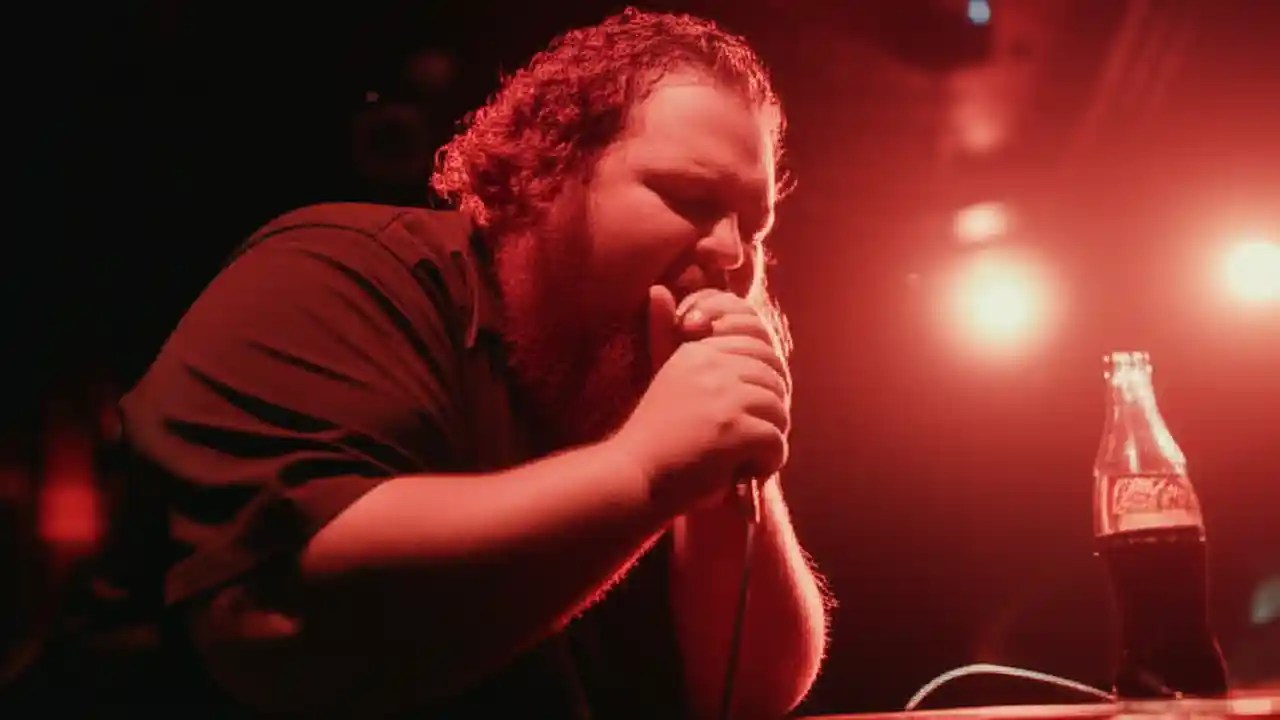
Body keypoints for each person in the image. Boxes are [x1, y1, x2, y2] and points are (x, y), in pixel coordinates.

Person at [62, 7, 829, 718]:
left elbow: (751, 695)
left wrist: (729, 478)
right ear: (544, 174)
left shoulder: (640, 388)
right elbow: (280, 619)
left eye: (753, 226)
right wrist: (645, 474)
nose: (733, 255)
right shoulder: (340, 274)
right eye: (692, 198)